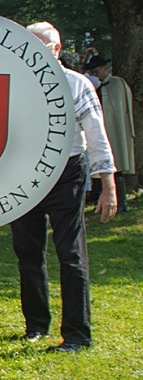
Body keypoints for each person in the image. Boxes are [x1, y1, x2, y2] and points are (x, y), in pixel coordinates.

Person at [10, 22, 117, 353]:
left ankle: (76, 333)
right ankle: (36, 324)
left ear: (56, 49)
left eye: (37, 44)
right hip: (24, 175)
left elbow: (97, 136)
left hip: (67, 173)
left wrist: (108, 185)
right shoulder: (15, 82)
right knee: (27, 252)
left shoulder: (76, 83)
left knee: (70, 253)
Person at [84, 55, 134, 214]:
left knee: (116, 166)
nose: (94, 75)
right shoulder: (93, 87)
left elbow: (121, 111)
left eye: (97, 71)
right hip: (101, 131)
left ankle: (121, 202)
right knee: (98, 165)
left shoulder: (117, 84)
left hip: (115, 131)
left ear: (105, 69)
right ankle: (99, 197)